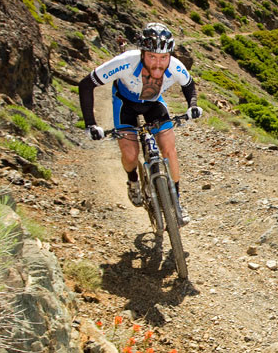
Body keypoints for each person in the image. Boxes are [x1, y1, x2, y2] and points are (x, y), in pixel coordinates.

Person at [78, 22, 202, 224]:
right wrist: (91, 124)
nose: (158, 63)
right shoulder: (126, 62)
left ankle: (176, 204)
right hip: (125, 104)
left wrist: (193, 106)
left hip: (154, 104)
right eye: (152, 56)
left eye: (163, 57)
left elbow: (189, 85)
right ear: (142, 53)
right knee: (130, 154)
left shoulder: (175, 66)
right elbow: (86, 84)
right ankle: (133, 181)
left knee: (169, 149)